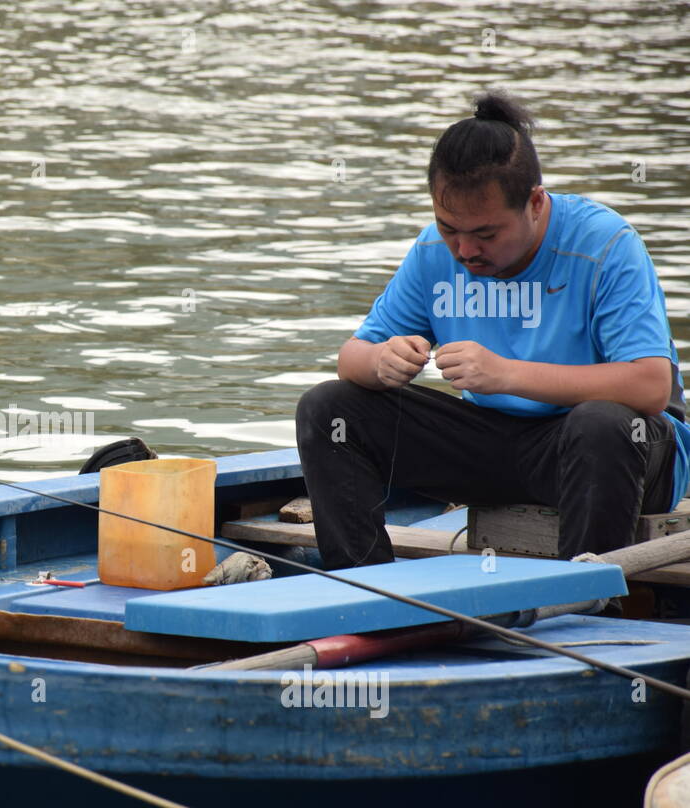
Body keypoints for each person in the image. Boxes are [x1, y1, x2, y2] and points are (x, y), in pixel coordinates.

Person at [295, 91, 690, 572]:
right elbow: (350, 358)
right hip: (498, 448)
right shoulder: (432, 252)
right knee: (328, 407)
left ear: (536, 203)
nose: (464, 250)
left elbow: (650, 386)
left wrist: (507, 375)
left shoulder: (605, 244)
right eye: (448, 229)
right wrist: (381, 362)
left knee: (602, 424)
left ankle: (583, 603)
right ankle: (364, 587)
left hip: (620, 451)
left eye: (486, 235)